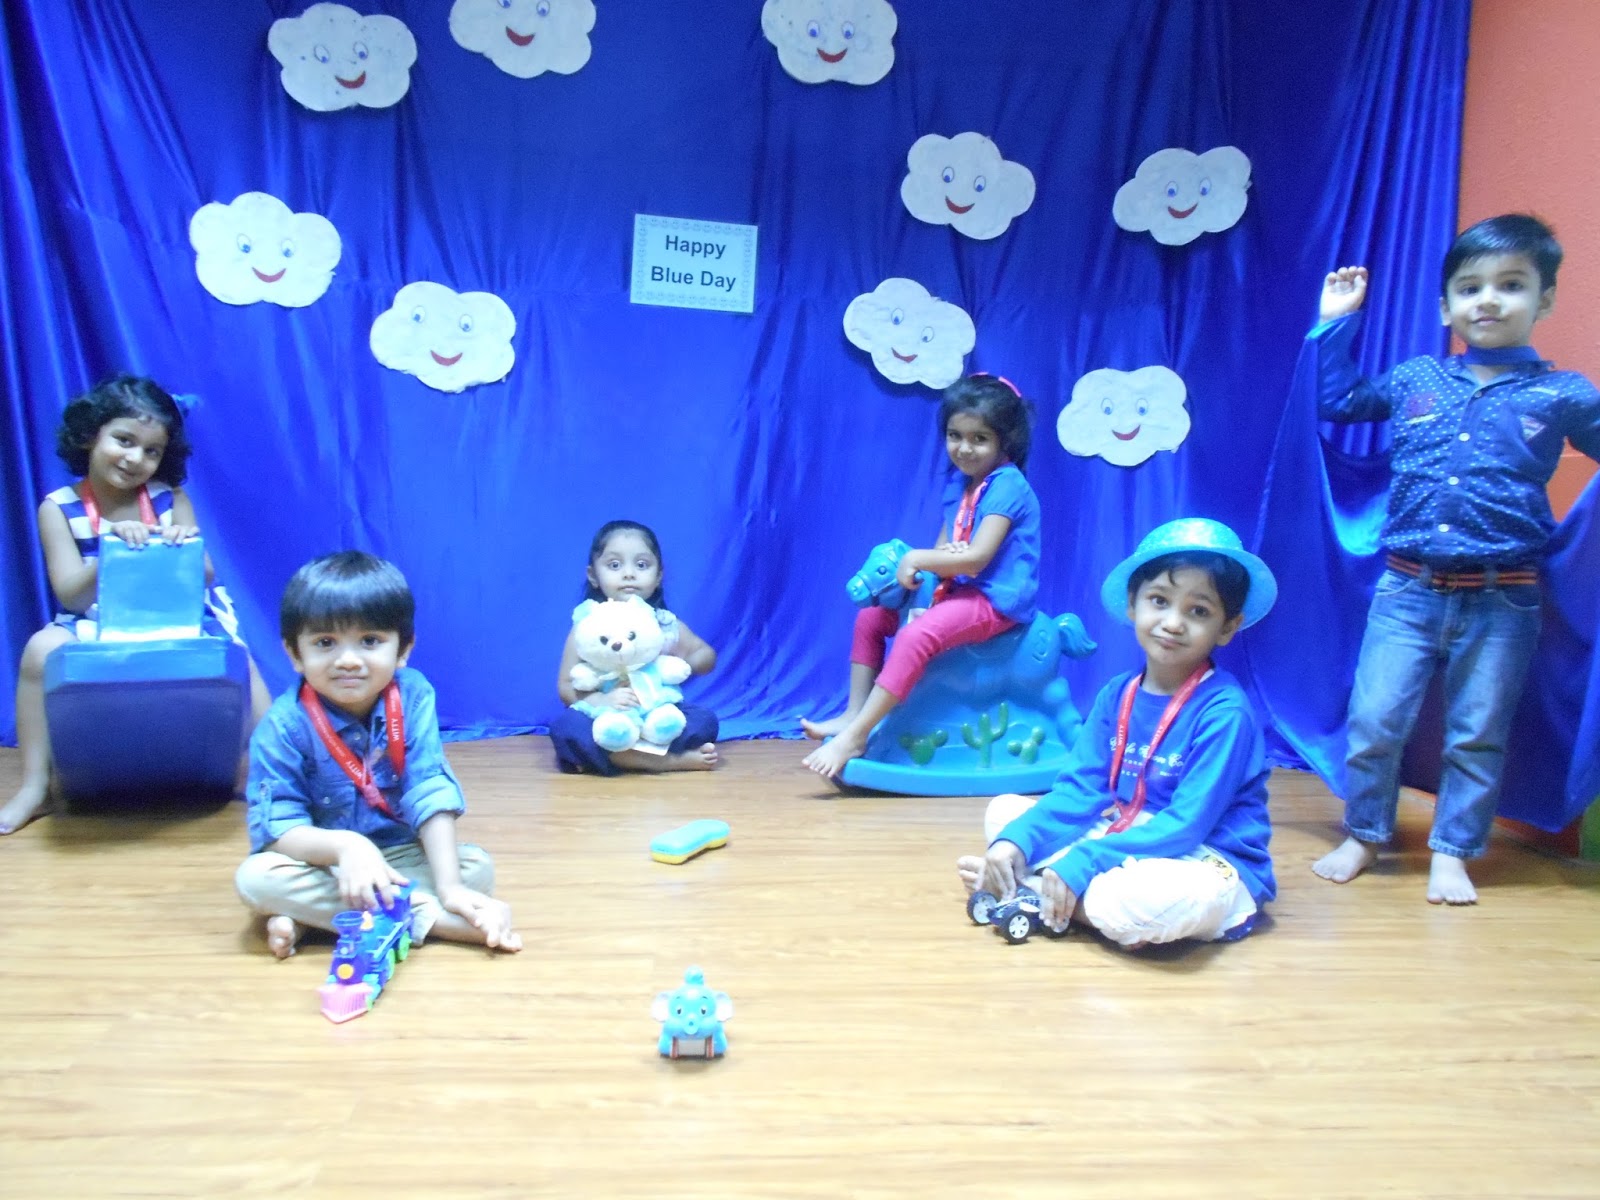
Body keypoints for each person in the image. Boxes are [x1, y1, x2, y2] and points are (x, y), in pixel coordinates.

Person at [1310, 214, 1600, 904]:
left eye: (1511, 285)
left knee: (1477, 733)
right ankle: (1365, 833)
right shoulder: (1415, 379)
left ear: (1545, 300)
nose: (1489, 300)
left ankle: (1453, 851)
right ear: (1446, 306)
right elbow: (1338, 399)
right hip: (1407, 589)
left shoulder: (1565, 396)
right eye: (1470, 288)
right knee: (1375, 719)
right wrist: (1335, 322)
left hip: (1505, 598)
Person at [960, 518, 1278, 950]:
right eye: (1159, 601)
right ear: (1133, 605)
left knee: (1150, 900)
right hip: (1126, 834)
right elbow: (1079, 791)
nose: (1173, 622)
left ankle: (1035, 891)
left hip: (1202, 855)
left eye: (1198, 611)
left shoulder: (1225, 713)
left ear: (1227, 627)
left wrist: (1083, 861)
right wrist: (1014, 843)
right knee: (1004, 816)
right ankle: (1050, 888)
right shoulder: (1117, 695)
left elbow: (1186, 826)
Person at [1, 375, 271, 835]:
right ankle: (35, 784)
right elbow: (70, 593)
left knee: (239, 659)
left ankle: (275, 774)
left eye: (151, 451)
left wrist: (178, 545)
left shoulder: (170, 499)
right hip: (95, 619)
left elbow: (204, 575)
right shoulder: (58, 507)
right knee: (38, 651)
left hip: (178, 617)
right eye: (124, 441)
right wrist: (112, 553)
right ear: (91, 435)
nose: (135, 459)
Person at [236, 552, 520, 958]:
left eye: (370, 641)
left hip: (400, 855)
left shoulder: (413, 694)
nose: (348, 660)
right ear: (295, 654)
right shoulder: (283, 726)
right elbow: (279, 831)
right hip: (324, 864)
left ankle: (311, 919)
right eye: (325, 643)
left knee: (476, 867)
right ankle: (432, 919)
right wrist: (347, 848)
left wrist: (452, 886)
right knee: (257, 879)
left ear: (403, 649)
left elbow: (429, 788)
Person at [802, 374, 1041, 779]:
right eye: (954, 435)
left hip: (994, 598)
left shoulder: (1008, 487)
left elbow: (976, 559)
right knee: (872, 617)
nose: (964, 448)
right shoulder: (963, 485)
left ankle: (857, 735)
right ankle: (853, 712)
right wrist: (923, 573)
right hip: (962, 587)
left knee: (917, 633)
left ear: (1006, 440)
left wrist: (919, 558)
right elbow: (946, 545)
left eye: (979, 438)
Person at [549, 521, 720, 773]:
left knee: (704, 721)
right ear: (593, 575)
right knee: (566, 728)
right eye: (614, 565)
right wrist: (603, 700)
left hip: (654, 715)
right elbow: (565, 687)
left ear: (658, 575)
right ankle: (668, 762)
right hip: (607, 719)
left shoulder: (663, 623)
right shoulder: (587, 626)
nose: (629, 574)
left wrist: (680, 663)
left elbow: (706, 655)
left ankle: (613, 758)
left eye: (641, 565)